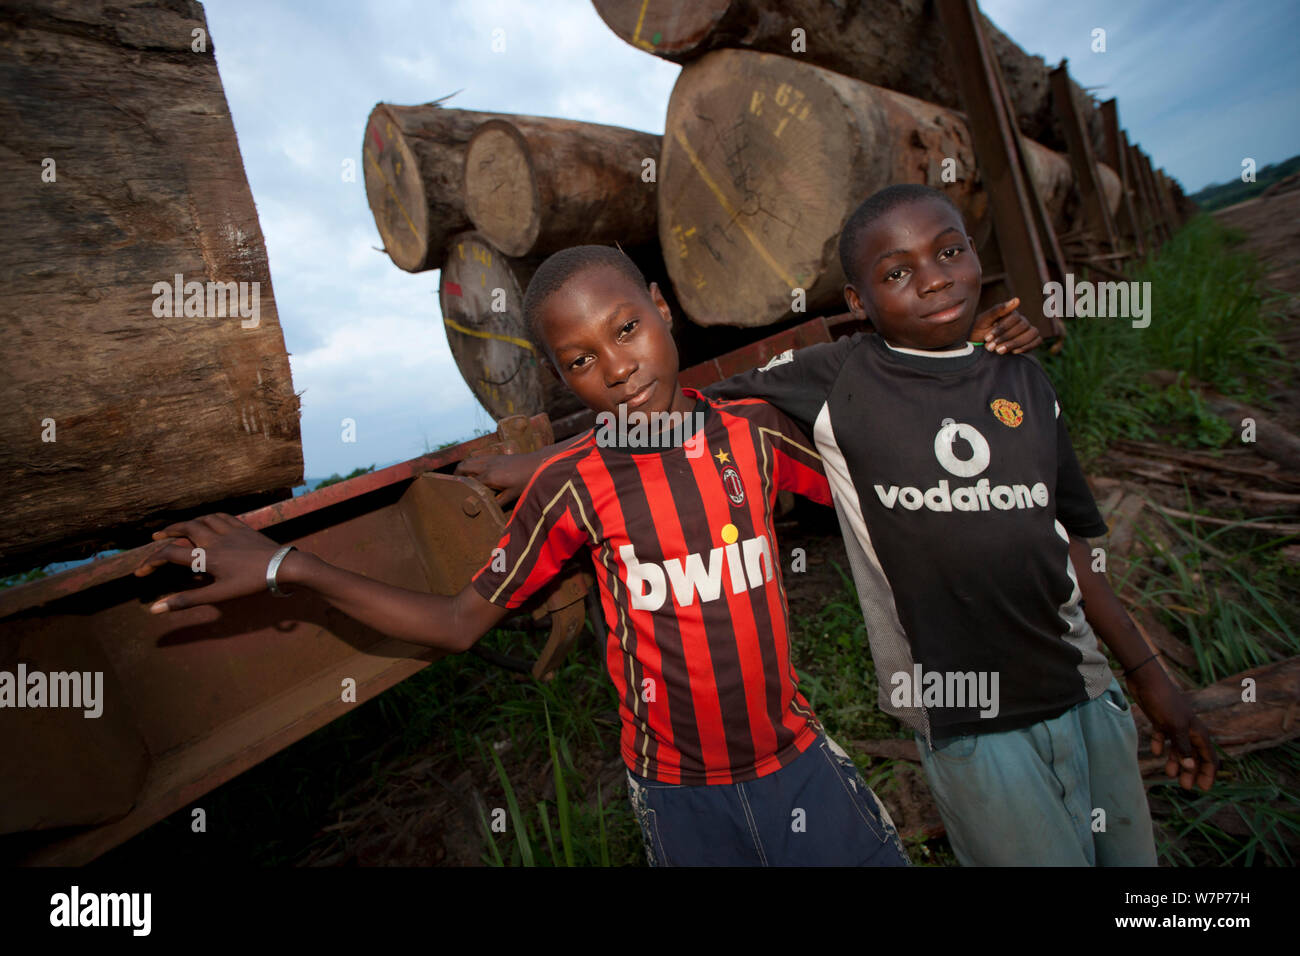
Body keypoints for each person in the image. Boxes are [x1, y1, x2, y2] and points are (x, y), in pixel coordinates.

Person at [138, 244, 1047, 865]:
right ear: (559, 379)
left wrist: (984, 357)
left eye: (624, 329)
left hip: (800, 762)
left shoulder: (758, 441)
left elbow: (896, 484)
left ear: (660, 307)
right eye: (577, 361)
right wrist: (283, 567)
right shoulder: (568, 488)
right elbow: (459, 622)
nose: (614, 368)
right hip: (679, 797)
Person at [464, 187, 1220, 866]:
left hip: (1085, 684)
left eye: (949, 253)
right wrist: (555, 459)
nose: (930, 280)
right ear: (858, 299)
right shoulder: (836, 379)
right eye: (895, 273)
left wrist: (1148, 675)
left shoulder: (1018, 375)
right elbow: (680, 411)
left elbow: (1068, 544)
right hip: (968, 715)